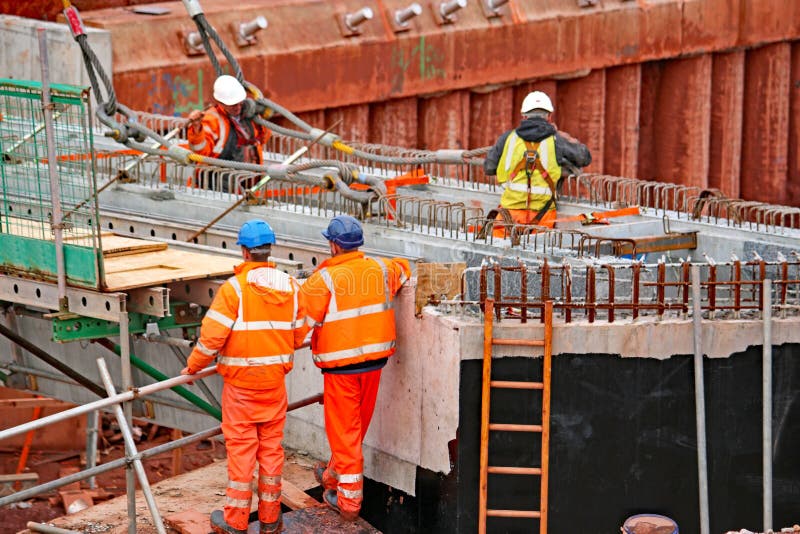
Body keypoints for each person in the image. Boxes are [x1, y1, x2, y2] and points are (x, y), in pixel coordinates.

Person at [181, 219, 304, 534]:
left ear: (245, 251)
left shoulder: (234, 289)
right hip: (274, 383)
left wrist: (193, 367)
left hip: (241, 387)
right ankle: (270, 519)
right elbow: (299, 333)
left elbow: (211, 339)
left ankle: (236, 521)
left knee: (242, 451)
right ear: (269, 250)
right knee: (271, 449)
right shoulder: (291, 286)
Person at [296, 215, 410, 522]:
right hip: (374, 364)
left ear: (334, 245)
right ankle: (333, 475)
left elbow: (299, 325)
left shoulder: (323, 280)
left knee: (345, 432)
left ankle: (348, 501)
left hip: (341, 370)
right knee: (356, 426)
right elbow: (404, 268)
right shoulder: (381, 269)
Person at [483, 90, 592, 230]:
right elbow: (584, 158)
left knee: (498, 243)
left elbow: (489, 168)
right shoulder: (556, 140)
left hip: (510, 215)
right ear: (549, 117)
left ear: (523, 116)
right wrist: (564, 138)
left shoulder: (508, 138)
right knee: (541, 244)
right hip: (543, 218)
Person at [186, 74, 270, 170]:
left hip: (250, 175)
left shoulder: (248, 115)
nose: (238, 107)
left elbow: (264, 138)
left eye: (240, 102)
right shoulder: (212, 119)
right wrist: (196, 128)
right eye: (233, 104)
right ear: (220, 102)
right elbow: (200, 152)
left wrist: (260, 116)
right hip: (218, 176)